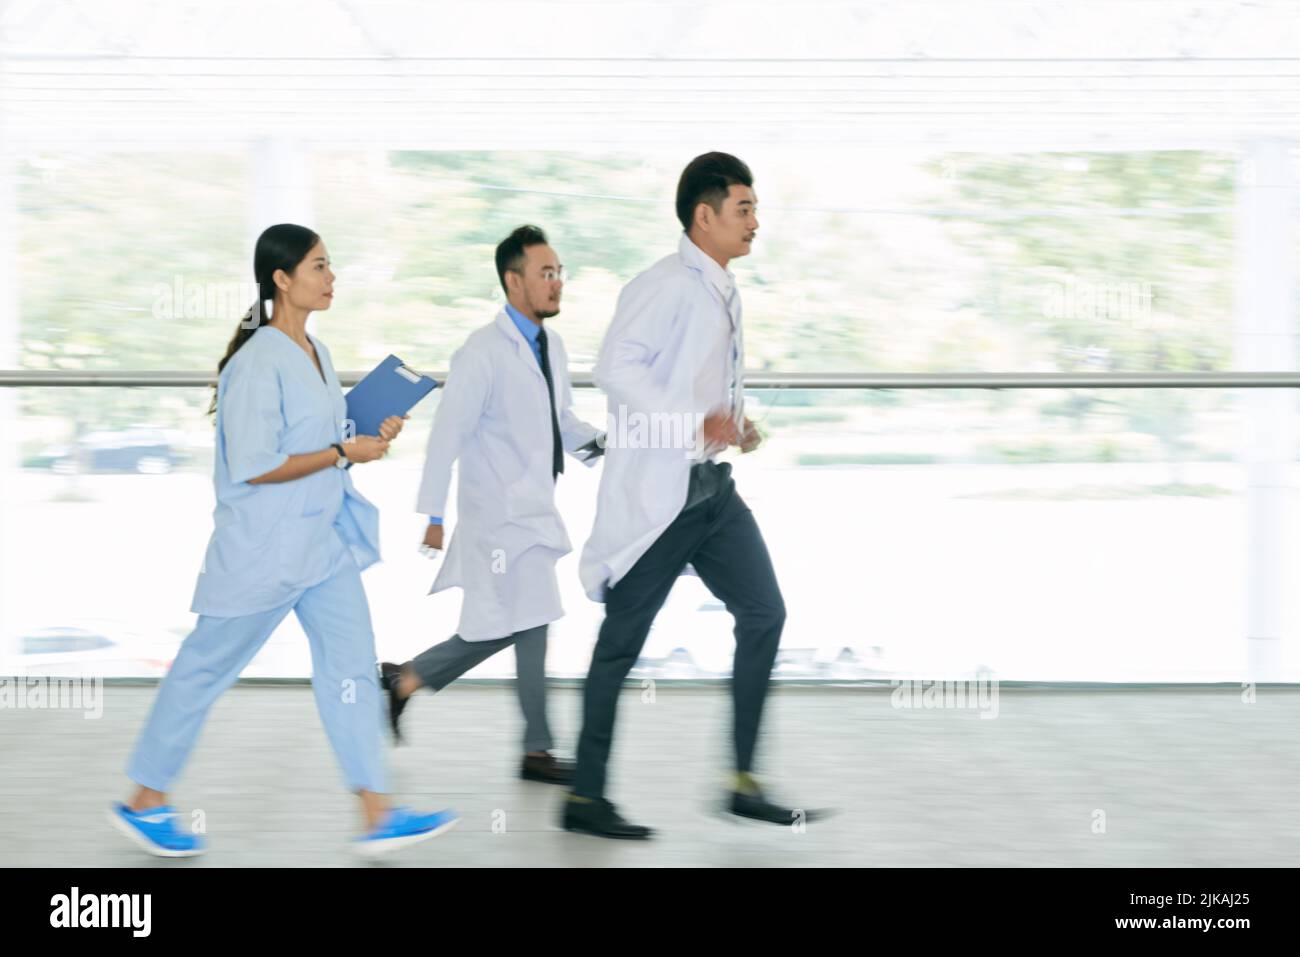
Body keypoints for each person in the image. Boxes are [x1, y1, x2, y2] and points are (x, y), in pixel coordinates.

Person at [109, 223, 457, 859]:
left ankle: (377, 809)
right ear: (281, 279)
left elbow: (326, 446)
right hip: (262, 551)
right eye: (319, 267)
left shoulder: (318, 356)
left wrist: (365, 440)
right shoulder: (254, 364)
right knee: (204, 668)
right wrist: (338, 449)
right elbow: (255, 463)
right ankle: (143, 800)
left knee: (351, 671)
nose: (331, 279)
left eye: (330, 266)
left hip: (320, 546)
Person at [564, 153, 818, 839]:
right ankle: (585, 797)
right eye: (745, 209)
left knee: (765, 612)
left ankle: (741, 779)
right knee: (620, 644)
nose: (756, 222)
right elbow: (614, 368)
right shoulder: (666, 284)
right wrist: (690, 422)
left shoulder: (719, 285)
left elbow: (701, 378)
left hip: (711, 490)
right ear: (704, 216)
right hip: (662, 499)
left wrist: (732, 422)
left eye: (755, 209)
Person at [380, 225, 602, 785]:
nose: (556, 284)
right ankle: (533, 749)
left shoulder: (551, 346)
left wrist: (618, 450)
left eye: (559, 273)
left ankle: (405, 681)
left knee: (520, 625)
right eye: (545, 273)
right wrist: (433, 516)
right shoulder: (480, 352)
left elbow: (563, 421)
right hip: (496, 520)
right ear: (513, 280)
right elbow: (446, 438)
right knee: (524, 623)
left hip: (531, 513)